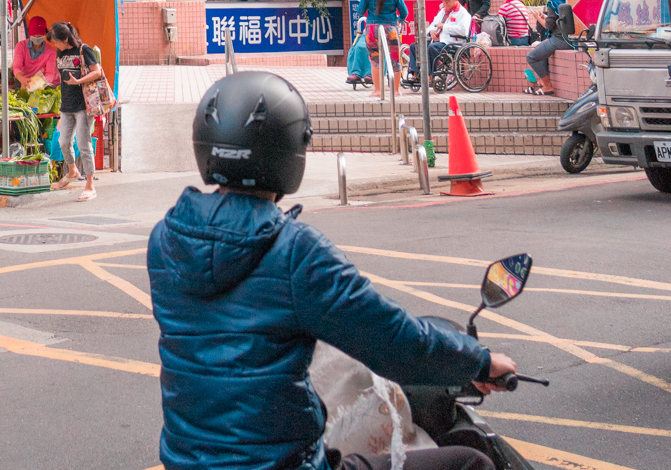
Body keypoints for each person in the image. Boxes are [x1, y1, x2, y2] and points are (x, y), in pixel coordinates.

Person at [148, 71, 514, 470]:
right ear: (291, 150)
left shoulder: (165, 241)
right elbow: (393, 339)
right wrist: (479, 361)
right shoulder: (293, 251)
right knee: (470, 463)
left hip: (186, 462)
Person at [49, 20, 102, 202]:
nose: (55, 45)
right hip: (66, 106)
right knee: (63, 141)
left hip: (83, 105)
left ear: (65, 38)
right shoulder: (60, 52)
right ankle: (72, 170)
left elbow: (97, 72)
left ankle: (90, 185)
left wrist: (79, 82)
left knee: (83, 143)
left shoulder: (84, 50)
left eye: (56, 41)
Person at [354, 0, 408, 98]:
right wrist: (398, 20)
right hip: (391, 29)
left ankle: (377, 90)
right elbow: (404, 13)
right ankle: (396, 91)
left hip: (373, 28)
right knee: (395, 58)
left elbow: (360, 11)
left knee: (375, 59)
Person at [425, 0, 473, 79]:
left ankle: (430, 76)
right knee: (415, 46)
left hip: (453, 43)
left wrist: (444, 27)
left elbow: (463, 31)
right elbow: (432, 25)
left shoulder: (463, 13)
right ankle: (416, 75)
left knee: (432, 48)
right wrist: (431, 31)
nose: (445, 2)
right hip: (439, 41)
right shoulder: (442, 12)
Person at [526, 1, 573, 95]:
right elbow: (558, 22)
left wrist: (537, 16)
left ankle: (547, 86)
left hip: (560, 39)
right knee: (540, 50)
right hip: (565, 39)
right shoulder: (563, 1)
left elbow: (548, 26)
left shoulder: (552, 3)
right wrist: (547, 17)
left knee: (531, 57)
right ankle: (542, 82)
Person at [12, 14, 58, 89]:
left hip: (41, 83)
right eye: (34, 36)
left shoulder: (50, 51)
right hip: (22, 80)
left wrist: (41, 83)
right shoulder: (20, 46)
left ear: (45, 34)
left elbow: (50, 74)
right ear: (29, 35)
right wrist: (21, 79)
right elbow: (17, 67)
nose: (37, 39)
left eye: (39, 36)